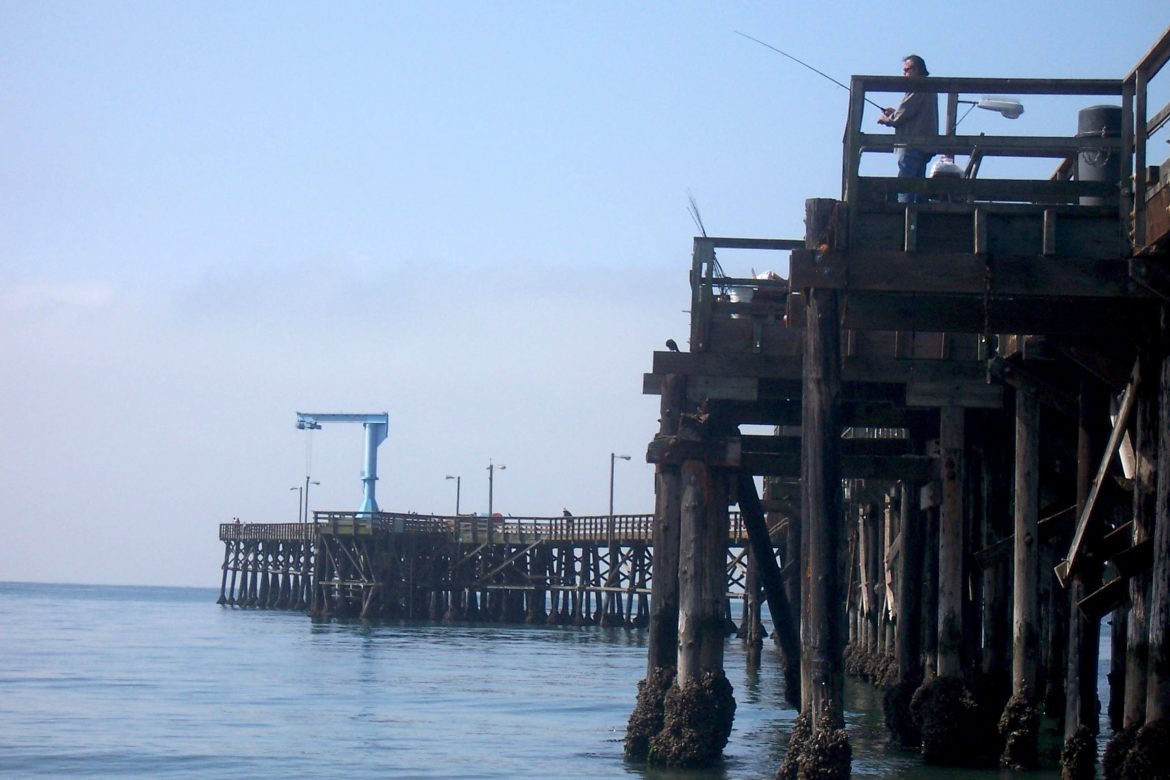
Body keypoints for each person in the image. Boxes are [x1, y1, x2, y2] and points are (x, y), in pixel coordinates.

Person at [877, 54, 938, 203]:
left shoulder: (918, 86)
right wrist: (894, 113)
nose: (904, 74)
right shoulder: (929, 87)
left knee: (905, 183)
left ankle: (904, 215)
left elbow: (902, 116)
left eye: (906, 70)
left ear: (916, 69)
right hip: (924, 145)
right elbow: (910, 113)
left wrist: (888, 119)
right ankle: (920, 215)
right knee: (919, 184)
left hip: (912, 145)